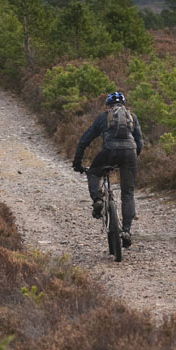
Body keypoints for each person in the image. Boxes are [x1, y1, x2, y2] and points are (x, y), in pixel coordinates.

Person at [72, 91, 143, 248]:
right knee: (128, 193)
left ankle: (97, 200)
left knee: (93, 172)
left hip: (109, 151)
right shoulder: (132, 117)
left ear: (107, 106)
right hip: (130, 153)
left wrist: (77, 162)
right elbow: (140, 143)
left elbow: (84, 140)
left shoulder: (103, 117)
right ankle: (126, 231)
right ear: (124, 105)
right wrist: (130, 160)